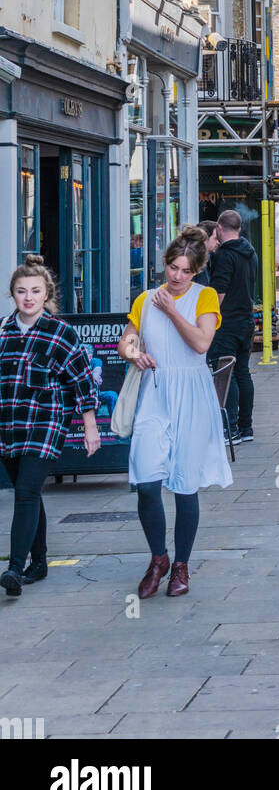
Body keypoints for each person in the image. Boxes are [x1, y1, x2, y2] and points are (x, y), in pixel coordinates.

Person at [119, 225, 231, 599]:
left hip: (192, 395)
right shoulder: (145, 298)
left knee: (184, 484)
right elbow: (127, 340)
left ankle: (181, 565)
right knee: (146, 481)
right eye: (172, 267)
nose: (176, 276)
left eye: (185, 270)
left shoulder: (206, 297)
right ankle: (158, 558)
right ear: (165, 264)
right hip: (155, 391)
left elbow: (201, 343)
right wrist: (134, 352)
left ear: (196, 271)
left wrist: (171, 311)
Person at [0, 256, 101, 596]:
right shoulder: (2, 332)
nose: (28, 298)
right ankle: (39, 561)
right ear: (12, 294)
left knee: (26, 492)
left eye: (35, 291)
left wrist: (90, 426)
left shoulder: (61, 334)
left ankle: (14, 568)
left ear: (46, 295)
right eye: (21, 291)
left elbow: (84, 383)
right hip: (9, 426)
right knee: (28, 492)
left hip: (46, 423)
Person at [208, 209, 258, 444]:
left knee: (226, 375)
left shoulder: (223, 256)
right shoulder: (250, 252)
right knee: (243, 373)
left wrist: (208, 319)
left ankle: (231, 430)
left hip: (226, 322)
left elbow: (219, 292)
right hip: (246, 320)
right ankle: (246, 428)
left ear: (219, 228)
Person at [195, 221, 219, 286]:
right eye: (215, 238)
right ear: (205, 239)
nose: (218, 242)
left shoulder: (209, 259)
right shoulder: (194, 261)